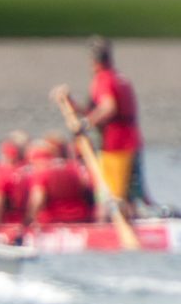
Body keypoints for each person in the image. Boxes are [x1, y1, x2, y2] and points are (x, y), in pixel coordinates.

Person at [59, 36, 144, 209]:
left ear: (95, 61)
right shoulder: (119, 77)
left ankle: (116, 223)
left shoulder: (104, 79)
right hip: (132, 142)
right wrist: (71, 103)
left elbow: (108, 107)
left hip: (116, 146)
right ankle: (132, 214)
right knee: (130, 194)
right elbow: (95, 109)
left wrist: (86, 124)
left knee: (112, 195)